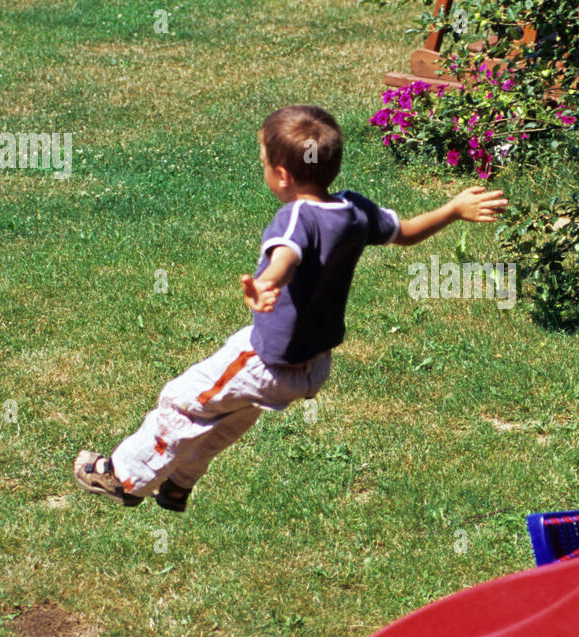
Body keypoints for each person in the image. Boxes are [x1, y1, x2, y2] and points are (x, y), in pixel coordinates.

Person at [74, 105, 508, 511]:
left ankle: (124, 478)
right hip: (313, 364)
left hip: (269, 361)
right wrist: (453, 209)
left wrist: (266, 283)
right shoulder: (354, 210)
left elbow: (288, 255)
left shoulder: (298, 217)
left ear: (281, 175)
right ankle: (178, 484)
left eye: (263, 161)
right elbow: (408, 232)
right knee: (232, 413)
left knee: (181, 402)